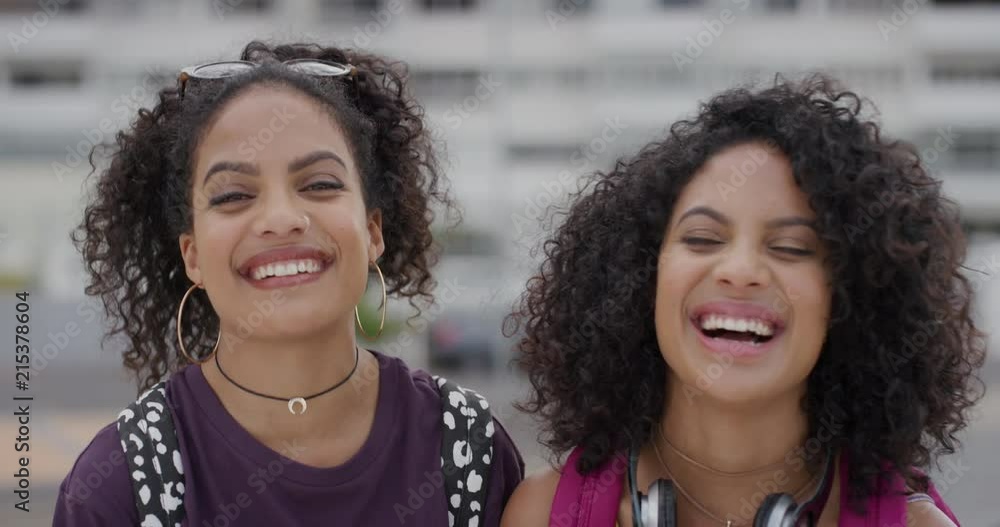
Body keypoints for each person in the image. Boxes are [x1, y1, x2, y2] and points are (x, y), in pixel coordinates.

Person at [55, 40, 523, 526]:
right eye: (234, 195)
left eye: (320, 184)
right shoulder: (121, 484)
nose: (281, 219)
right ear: (191, 255)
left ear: (373, 231)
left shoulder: (468, 448)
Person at [500, 75, 984, 526]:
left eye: (791, 247)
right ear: (641, 277)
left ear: (851, 299)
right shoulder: (541, 513)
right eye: (703, 239)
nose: (740, 271)